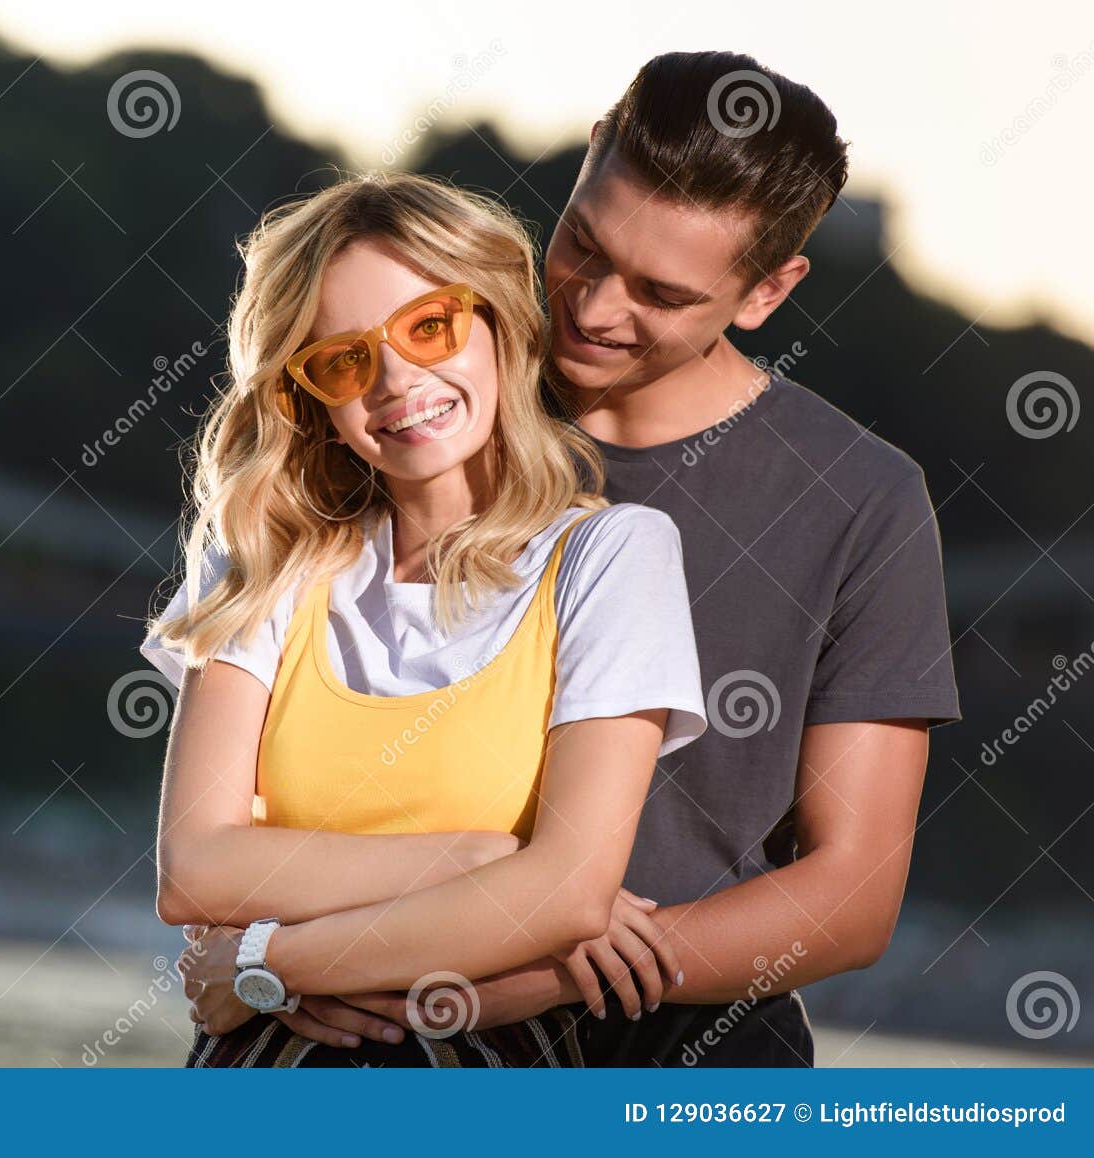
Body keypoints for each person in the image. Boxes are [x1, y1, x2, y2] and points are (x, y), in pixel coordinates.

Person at [248, 51, 963, 1068]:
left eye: (659, 294)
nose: (591, 308)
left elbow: (850, 894)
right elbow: (256, 734)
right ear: (588, 158)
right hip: (357, 1006)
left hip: (672, 1041)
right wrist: (249, 952)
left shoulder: (861, 499)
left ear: (766, 291)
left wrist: (536, 971)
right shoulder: (416, 398)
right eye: (583, 243)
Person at [139, 171, 708, 1066]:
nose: (398, 379)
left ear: (497, 325)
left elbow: (566, 896)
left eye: (429, 326)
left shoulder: (614, 557)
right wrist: (481, 859)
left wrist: (268, 962)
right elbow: (195, 873)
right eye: (344, 360)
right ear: (313, 399)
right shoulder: (262, 563)